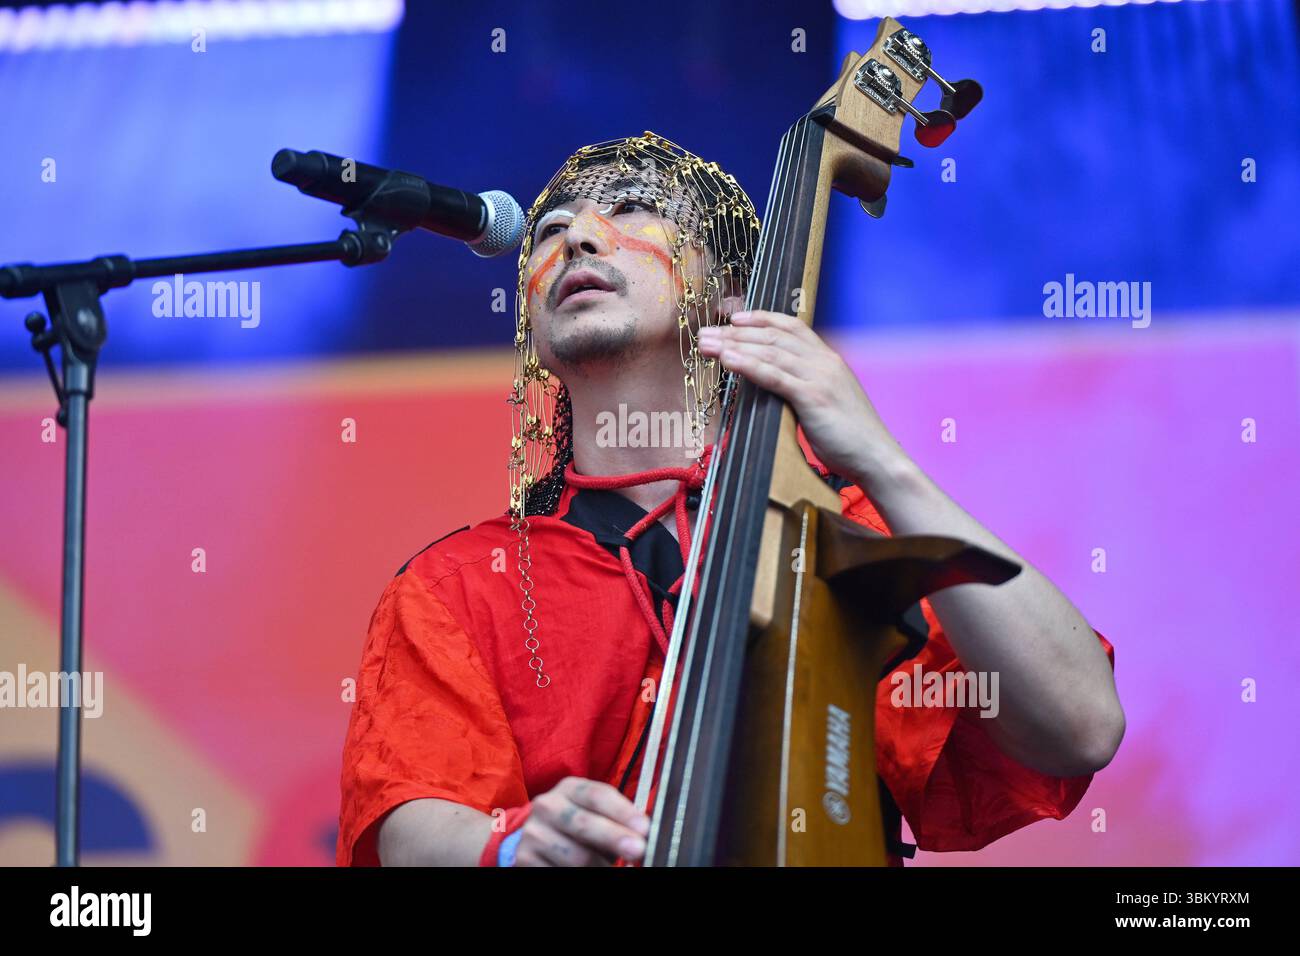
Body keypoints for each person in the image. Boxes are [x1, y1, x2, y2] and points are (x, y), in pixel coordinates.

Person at [336, 132, 1123, 867]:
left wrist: (879, 459)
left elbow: (1080, 725)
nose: (576, 237)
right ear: (534, 330)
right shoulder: (459, 584)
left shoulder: (844, 537)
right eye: (550, 229)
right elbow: (409, 816)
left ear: (729, 292)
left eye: (634, 208)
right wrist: (508, 845)